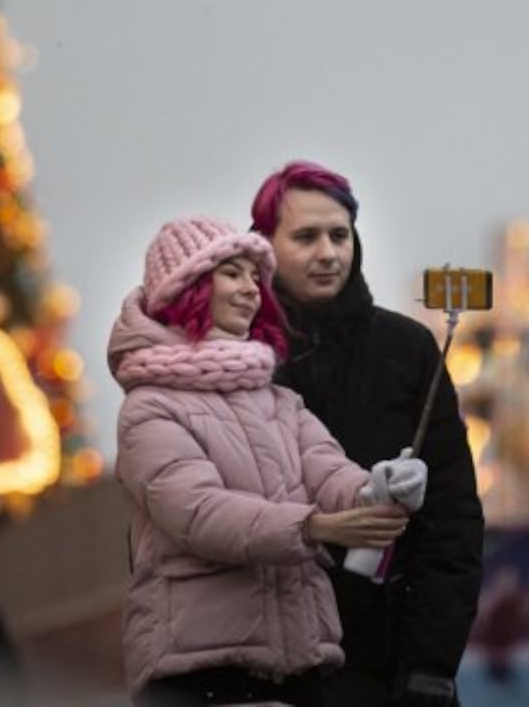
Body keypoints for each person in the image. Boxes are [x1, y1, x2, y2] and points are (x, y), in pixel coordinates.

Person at [111, 215, 430, 706]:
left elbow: (329, 471)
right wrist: (315, 527)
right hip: (200, 676)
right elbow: (199, 514)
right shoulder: (150, 407)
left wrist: (381, 487)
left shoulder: (278, 401)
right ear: (190, 289)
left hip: (298, 668)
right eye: (232, 273)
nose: (252, 289)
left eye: (254, 276)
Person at [251, 162, 485, 707]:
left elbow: (451, 522)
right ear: (265, 245)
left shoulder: (408, 350)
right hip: (263, 666)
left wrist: (430, 667)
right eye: (306, 237)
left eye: (340, 234)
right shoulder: (237, 359)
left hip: (382, 662)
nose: (328, 252)